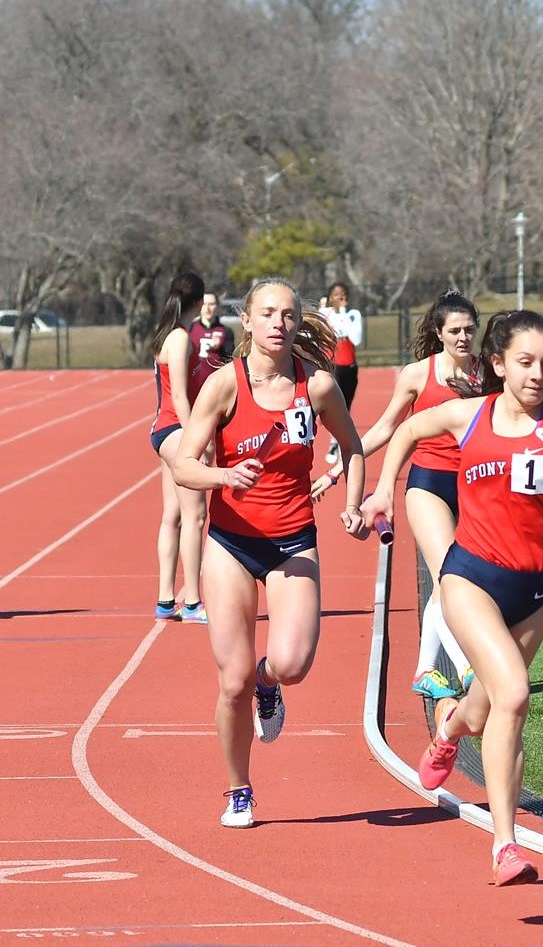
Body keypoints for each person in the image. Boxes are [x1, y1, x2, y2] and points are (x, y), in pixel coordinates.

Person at [361, 309, 543, 886]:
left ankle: (449, 727)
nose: (538, 375)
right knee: (515, 695)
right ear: (498, 364)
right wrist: (382, 491)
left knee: (483, 712)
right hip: (471, 579)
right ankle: (505, 844)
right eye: (525, 362)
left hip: (535, 589)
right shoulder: (468, 414)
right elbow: (407, 431)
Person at [170, 277, 370, 828]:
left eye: (287, 314)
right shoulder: (224, 385)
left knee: (291, 665)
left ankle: (269, 681)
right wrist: (223, 475)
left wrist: (353, 505)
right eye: (267, 313)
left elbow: (352, 448)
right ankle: (239, 789)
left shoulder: (318, 386)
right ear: (248, 321)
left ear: (297, 322)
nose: (278, 323)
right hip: (231, 543)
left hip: (293, 540)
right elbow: (183, 465)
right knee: (230, 681)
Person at [319, 290, 482, 702]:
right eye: (455, 331)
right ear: (439, 333)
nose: (463, 337)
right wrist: (338, 469)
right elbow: (385, 428)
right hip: (429, 483)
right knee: (448, 576)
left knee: (459, 580)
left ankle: (425, 669)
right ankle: (469, 667)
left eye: (469, 329)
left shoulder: (489, 372)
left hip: (476, 485)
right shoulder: (416, 375)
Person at [149, 272, 212, 625]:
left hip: (165, 431)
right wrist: (195, 442)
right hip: (175, 430)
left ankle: (164, 600)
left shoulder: (167, 335)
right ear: (199, 302)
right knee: (195, 516)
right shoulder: (180, 338)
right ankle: (192, 603)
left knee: (172, 516)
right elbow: (179, 396)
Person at [320, 282, 363, 465]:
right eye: (336, 294)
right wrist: (326, 309)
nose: (340, 297)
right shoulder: (325, 314)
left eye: (343, 294)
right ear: (330, 297)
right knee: (333, 406)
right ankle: (334, 442)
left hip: (349, 367)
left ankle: (338, 441)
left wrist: (343, 313)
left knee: (345, 407)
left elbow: (356, 339)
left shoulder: (353, 315)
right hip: (332, 366)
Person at [192, 293, 235, 373]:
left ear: (217, 306)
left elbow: (229, 362)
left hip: (216, 378)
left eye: (211, 304)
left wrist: (221, 348)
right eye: (204, 304)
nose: (207, 308)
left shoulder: (226, 331)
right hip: (194, 378)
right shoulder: (191, 328)